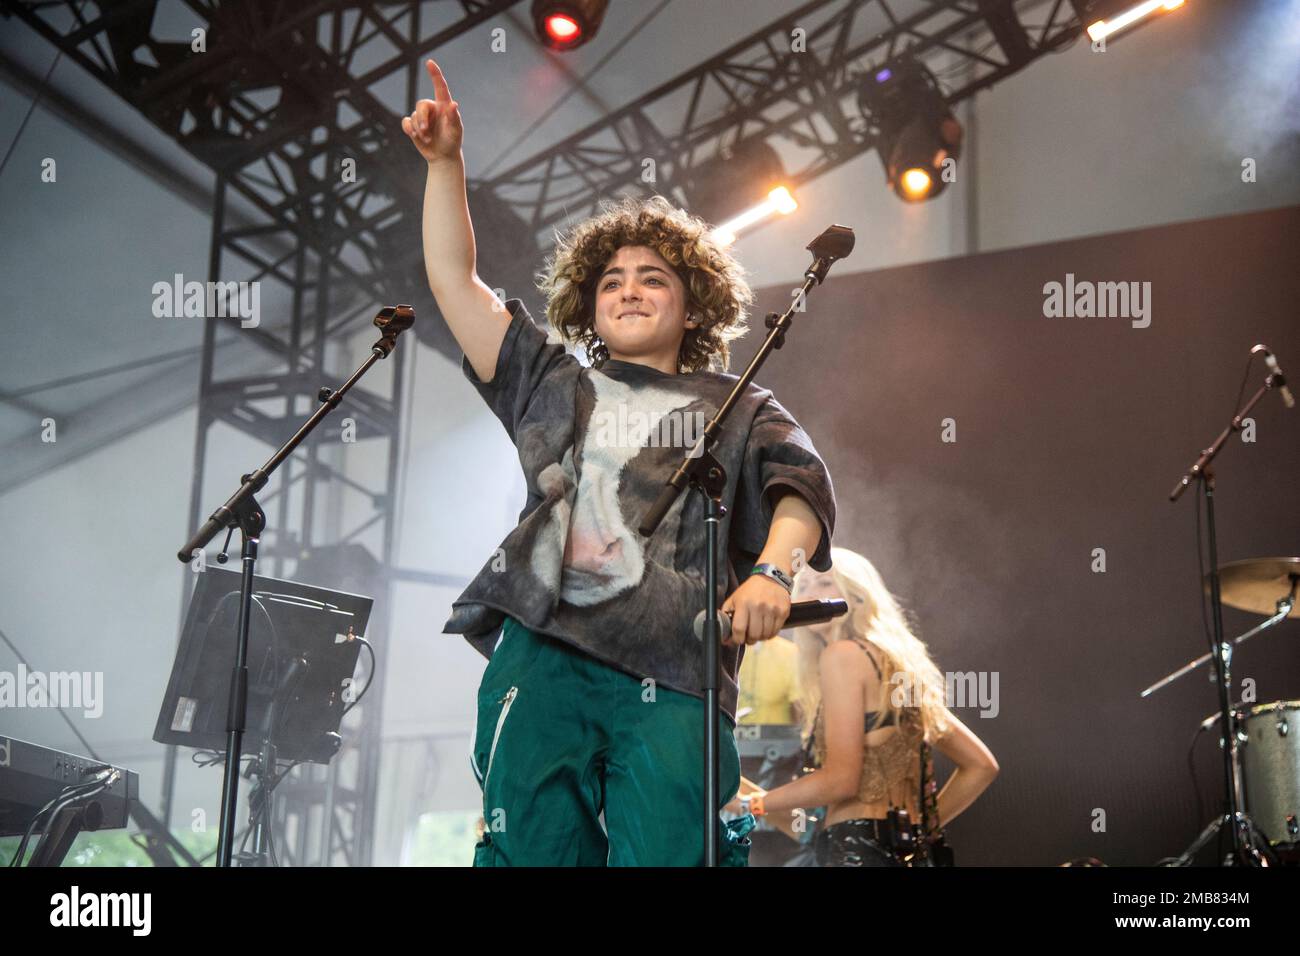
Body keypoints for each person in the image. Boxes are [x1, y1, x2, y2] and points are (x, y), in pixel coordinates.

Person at [402, 59, 836, 866]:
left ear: (692, 301)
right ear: (589, 302)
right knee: (529, 851)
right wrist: (445, 166)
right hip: (543, 648)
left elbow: (799, 489)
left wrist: (773, 576)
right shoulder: (553, 382)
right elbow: (456, 283)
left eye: (652, 278)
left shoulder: (740, 403)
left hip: (676, 666)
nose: (628, 290)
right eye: (611, 281)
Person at [726, 547, 998, 866]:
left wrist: (754, 804)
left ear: (856, 595)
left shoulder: (842, 656)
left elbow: (841, 779)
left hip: (856, 853)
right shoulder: (898, 669)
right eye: (803, 586)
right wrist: (923, 832)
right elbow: (981, 766)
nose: (810, 592)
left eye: (824, 583)